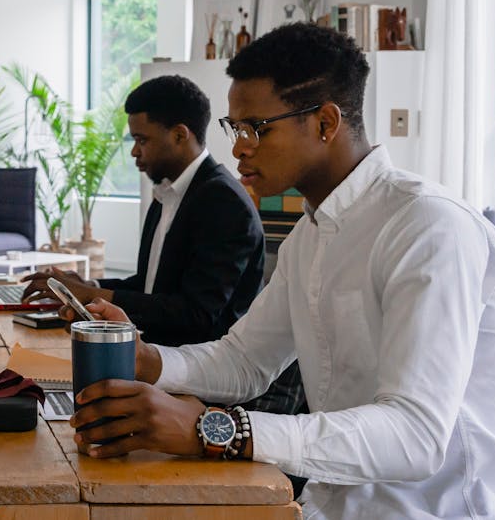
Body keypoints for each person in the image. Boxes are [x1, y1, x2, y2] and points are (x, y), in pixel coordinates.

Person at [65, 23, 495, 518]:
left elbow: (414, 436)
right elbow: (245, 360)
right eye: (234, 128)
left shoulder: (429, 227)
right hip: (331, 500)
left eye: (255, 129)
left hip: (444, 509)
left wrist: (214, 429)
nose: (238, 148)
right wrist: (147, 360)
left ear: (325, 123)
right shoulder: (308, 237)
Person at [22, 75, 303, 417]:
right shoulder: (167, 192)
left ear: (180, 135)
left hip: (202, 391)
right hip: (161, 368)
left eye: (142, 140)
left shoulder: (223, 202)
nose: (134, 151)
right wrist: (89, 288)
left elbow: (196, 316)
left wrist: (94, 296)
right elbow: (150, 287)